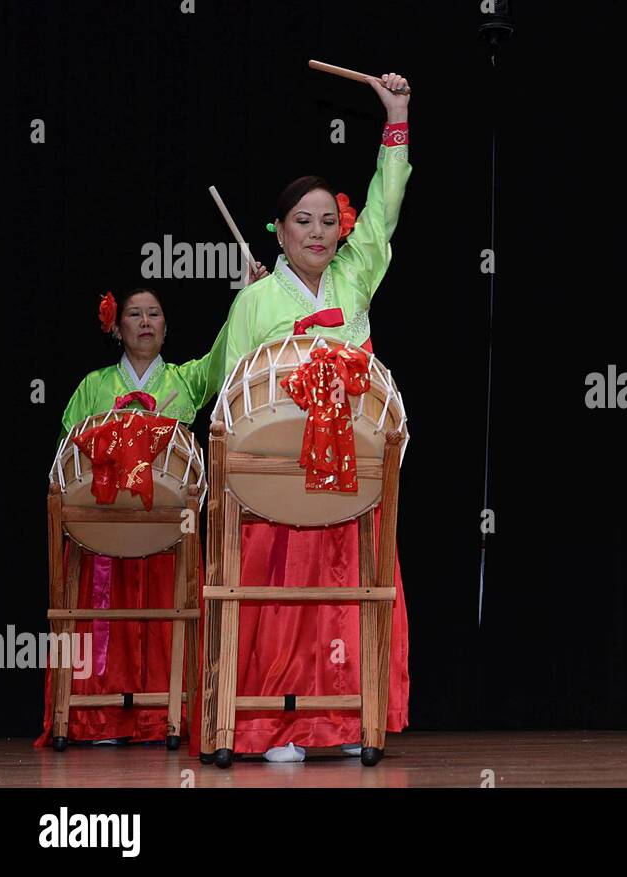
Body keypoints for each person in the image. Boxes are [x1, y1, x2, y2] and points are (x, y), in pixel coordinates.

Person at [198, 72, 412, 764]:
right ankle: (272, 724)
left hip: (348, 473)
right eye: (302, 222)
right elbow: (229, 396)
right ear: (279, 232)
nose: (318, 233)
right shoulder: (254, 305)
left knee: (344, 594)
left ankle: (346, 720)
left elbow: (385, 207)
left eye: (328, 221)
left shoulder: (355, 279)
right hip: (274, 483)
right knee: (280, 599)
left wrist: (396, 117)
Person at [37, 286, 232, 749]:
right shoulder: (95, 386)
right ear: (116, 326)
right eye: (134, 314)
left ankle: (166, 717)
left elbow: (227, 354)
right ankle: (99, 719)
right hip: (102, 526)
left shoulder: (184, 382)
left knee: (169, 614)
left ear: (166, 327)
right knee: (103, 617)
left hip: (168, 527)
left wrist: (248, 294)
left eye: (155, 314)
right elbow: (67, 455)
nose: (145, 322)